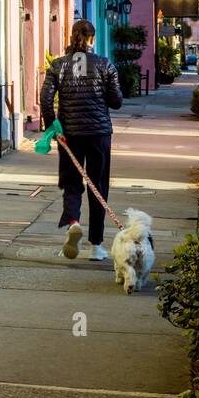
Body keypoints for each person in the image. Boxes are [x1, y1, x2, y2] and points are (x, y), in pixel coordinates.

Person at [39, 19, 124, 260]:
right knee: (97, 187)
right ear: (93, 39)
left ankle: (74, 223)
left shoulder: (59, 66)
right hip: (99, 135)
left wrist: (52, 127)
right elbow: (117, 101)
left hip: (70, 135)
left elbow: (46, 99)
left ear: (72, 37)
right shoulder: (105, 65)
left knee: (71, 183)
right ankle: (96, 246)